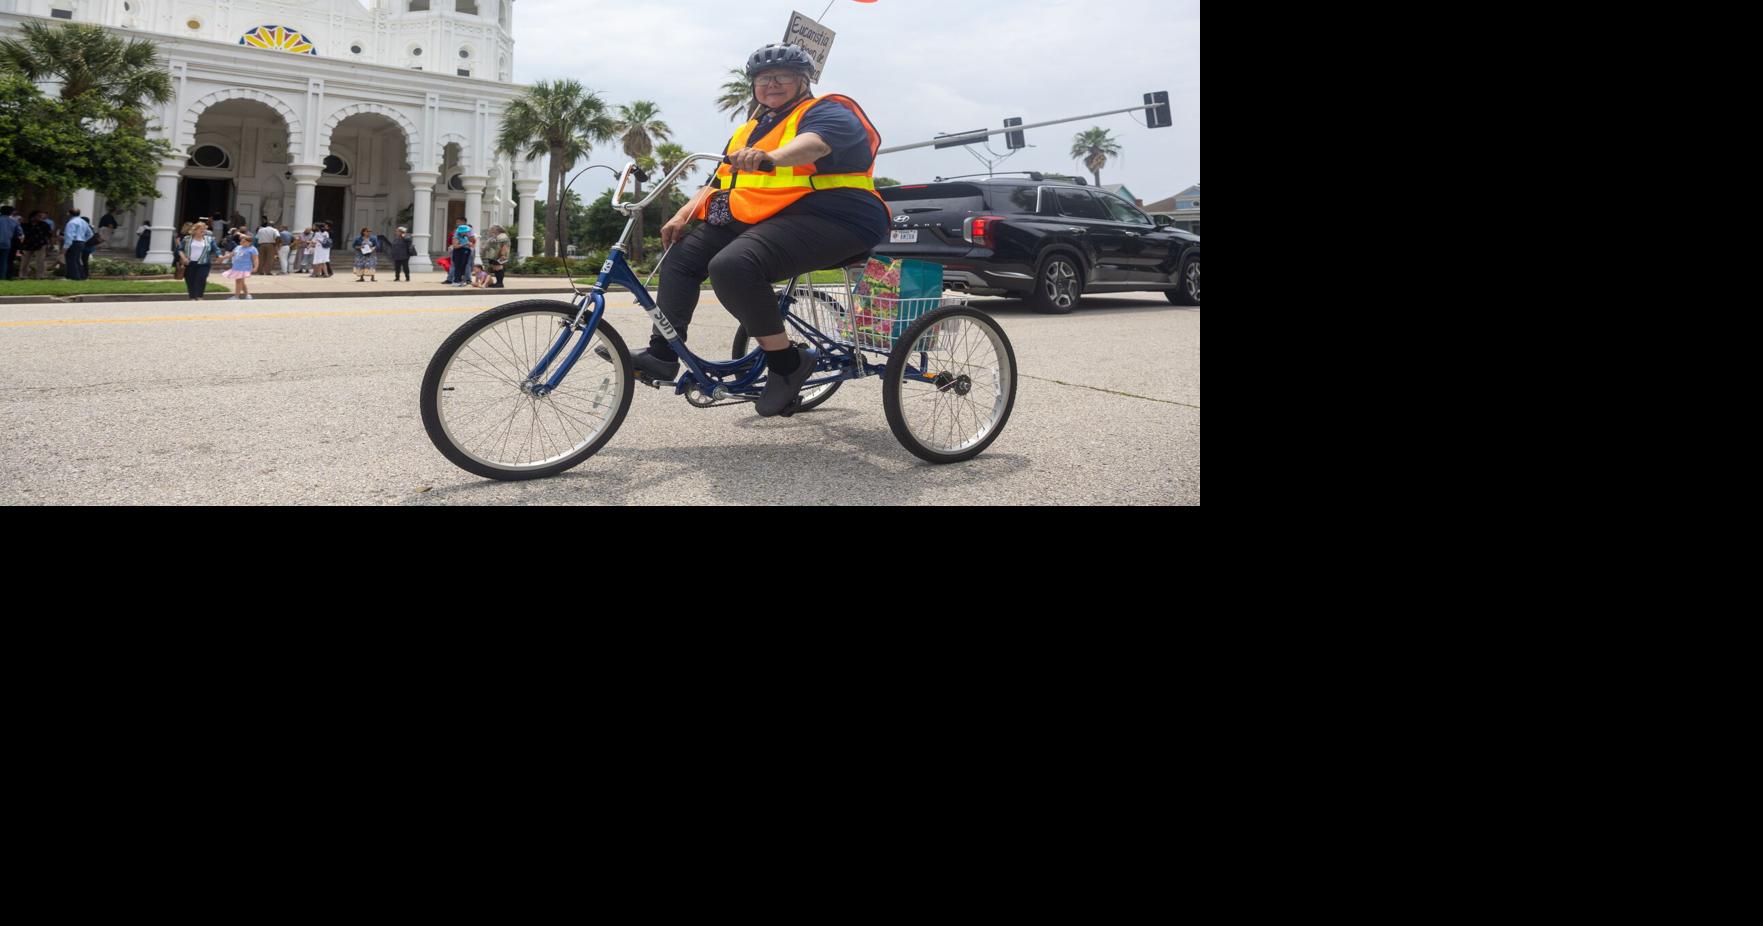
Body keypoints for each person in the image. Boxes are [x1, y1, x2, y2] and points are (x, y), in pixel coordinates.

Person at [644, 43, 889, 416]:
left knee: (732, 266)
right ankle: (662, 354)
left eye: (782, 77)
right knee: (681, 256)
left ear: (804, 80)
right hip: (775, 216)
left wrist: (772, 157)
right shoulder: (748, 131)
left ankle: (788, 366)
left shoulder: (830, 111)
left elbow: (814, 144)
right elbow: (718, 182)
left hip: (840, 217)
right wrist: (682, 215)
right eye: (762, 79)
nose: (771, 84)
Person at [175, 221, 220, 300]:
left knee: (201, 278)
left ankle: (199, 296)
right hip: (189, 263)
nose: (203, 231)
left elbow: (216, 249)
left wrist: (219, 255)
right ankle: (192, 296)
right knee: (190, 280)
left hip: (204, 263)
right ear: (195, 230)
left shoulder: (209, 239)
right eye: (201, 229)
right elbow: (179, 249)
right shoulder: (187, 239)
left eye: (204, 229)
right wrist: (184, 258)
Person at [222, 231, 259, 299]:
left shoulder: (252, 249)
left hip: (245, 267)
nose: (242, 242)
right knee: (241, 281)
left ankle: (236, 296)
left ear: (249, 242)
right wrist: (222, 257)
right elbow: (231, 254)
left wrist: (256, 267)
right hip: (236, 267)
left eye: (244, 241)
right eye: (241, 240)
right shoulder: (238, 247)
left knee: (238, 280)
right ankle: (247, 295)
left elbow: (255, 259)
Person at [62, 208, 97, 281]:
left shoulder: (71, 222)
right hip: (81, 242)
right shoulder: (83, 222)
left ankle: (74, 277)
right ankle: (82, 276)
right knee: (77, 259)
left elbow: (69, 236)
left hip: (73, 242)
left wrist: (65, 247)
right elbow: (90, 234)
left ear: (69, 213)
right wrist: (83, 240)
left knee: (71, 260)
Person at [20, 211, 54, 279]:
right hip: (27, 245)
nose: (41, 217)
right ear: (33, 217)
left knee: (40, 261)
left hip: (40, 244)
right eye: (39, 216)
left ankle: (40, 275)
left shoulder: (44, 225)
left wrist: (50, 244)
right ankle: (23, 275)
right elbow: (21, 235)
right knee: (24, 261)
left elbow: (49, 235)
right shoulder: (25, 225)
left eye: (41, 216)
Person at [0, 205, 19, 281]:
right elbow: (19, 233)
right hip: (7, 243)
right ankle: (2, 278)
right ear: (11, 212)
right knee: (4, 262)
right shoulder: (14, 221)